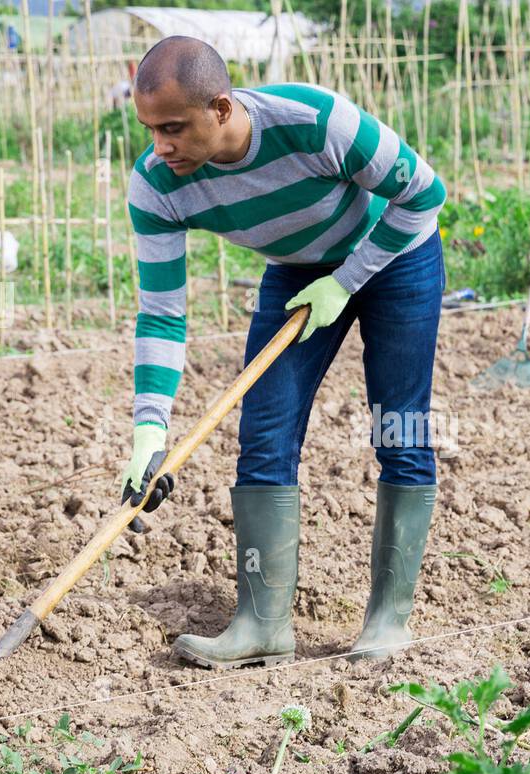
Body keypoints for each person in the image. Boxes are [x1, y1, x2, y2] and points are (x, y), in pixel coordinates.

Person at [118, 36, 448, 669]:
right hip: (297, 269)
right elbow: (161, 312)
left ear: (219, 107)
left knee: (399, 425)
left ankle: (388, 620)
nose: (160, 146)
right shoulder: (157, 185)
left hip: (396, 255)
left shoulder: (317, 122)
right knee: (263, 430)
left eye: (173, 128)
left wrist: (347, 280)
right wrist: (147, 431)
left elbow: (425, 195)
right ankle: (263, 623)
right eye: (149, 129)